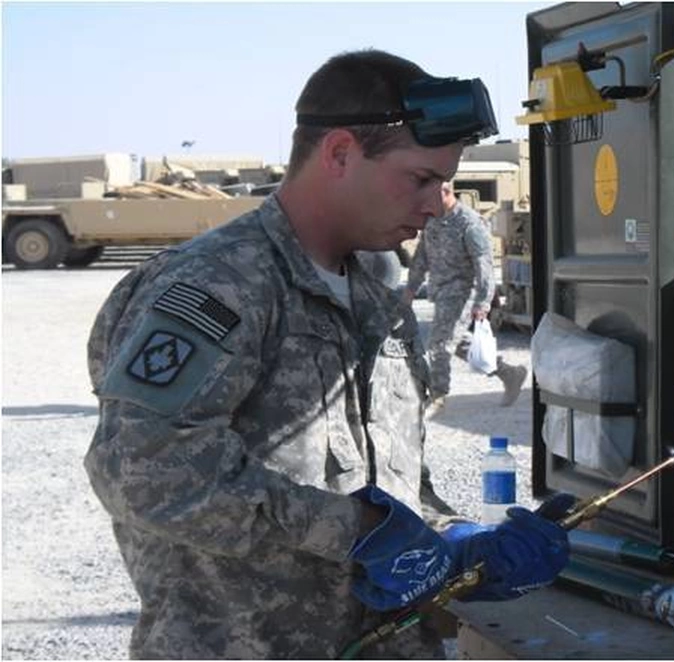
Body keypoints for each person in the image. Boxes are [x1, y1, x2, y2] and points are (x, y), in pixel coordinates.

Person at [83, 49, 569, 660]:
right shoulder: (219, 285)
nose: (434, 205)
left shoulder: (379, 298)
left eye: (443, 183)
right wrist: (358, 531)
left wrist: (457, 545)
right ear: (339, 153)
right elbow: (142, 471)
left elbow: (391, 491)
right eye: (420, 179)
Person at [403, 181, 528, 409]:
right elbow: (421, 257)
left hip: (462, 293)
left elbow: (484, 265)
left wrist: (483, 301)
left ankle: (437, 395)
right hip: (440, 291)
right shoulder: (433, 220)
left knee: (439, 343)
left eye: (431, 197)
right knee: (457, 342)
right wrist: (411, 288)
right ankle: (509, 373)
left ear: (446, 192)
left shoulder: (469, 223)